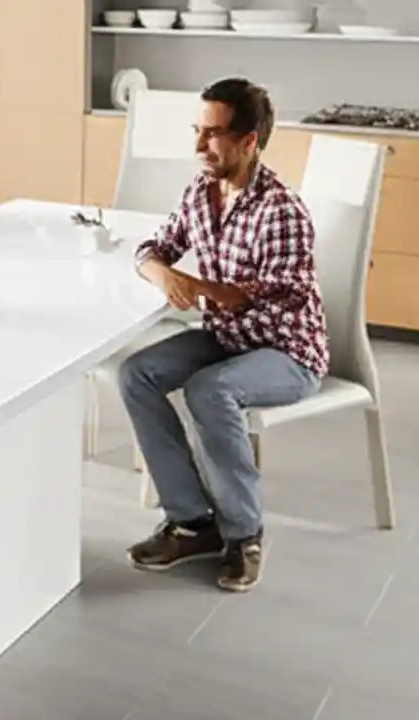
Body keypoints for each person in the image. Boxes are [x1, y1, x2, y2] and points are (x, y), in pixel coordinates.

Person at [119, 77, 328, 593]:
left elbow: (268, 298)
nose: (197, 147)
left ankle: (244, 535)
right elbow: (154, 245)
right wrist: (160, 272)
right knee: (136, 373)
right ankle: (192, 523)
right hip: (229, 338)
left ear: (249, 141)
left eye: (211, 135)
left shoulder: (281, 210)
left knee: (209, 389)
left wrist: (193, 284)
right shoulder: (199, 192)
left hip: (287, 351)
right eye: (197, 130)